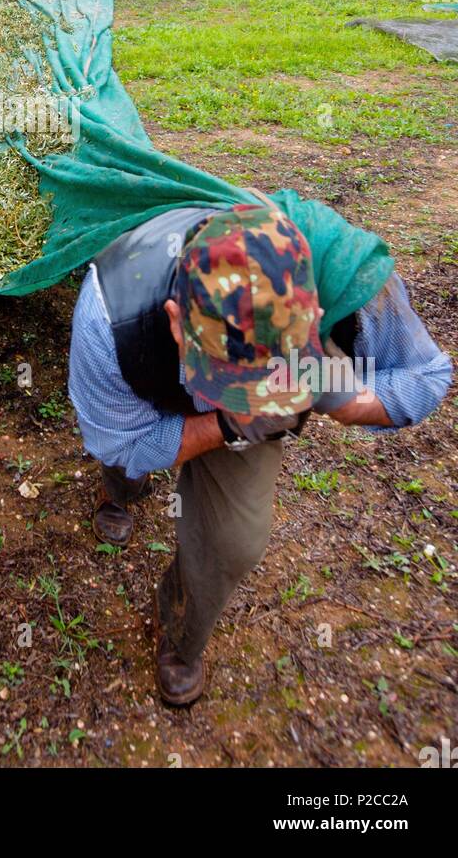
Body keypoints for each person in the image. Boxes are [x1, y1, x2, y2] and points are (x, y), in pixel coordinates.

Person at [67, 200, 453, 706]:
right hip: (147, 380)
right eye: (227, 374)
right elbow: (118, 437)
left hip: (291, 385)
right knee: (124, 458)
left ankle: (178, 631)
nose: (247, 390)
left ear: (312, 313)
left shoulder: (345, 276)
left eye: (266, 369)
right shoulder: (107, 317)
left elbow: (427, 376)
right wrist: (232, 419)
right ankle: (118, 491)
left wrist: (343, 398)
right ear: (176, 319)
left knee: (235, 542)